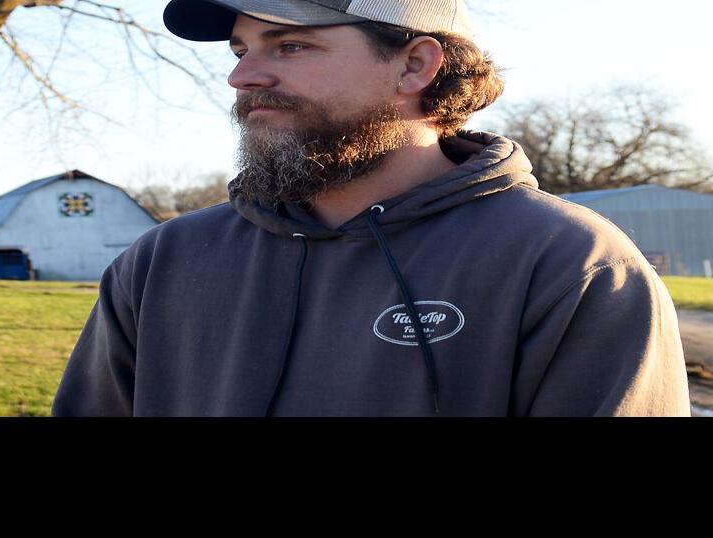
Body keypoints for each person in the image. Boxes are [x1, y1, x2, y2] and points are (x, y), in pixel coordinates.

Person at [50, 0, 692, 416]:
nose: (243, 78)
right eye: (243, 50)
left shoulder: (570, 264)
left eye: (291, 44)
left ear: (415, 65)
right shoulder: (166, 260)